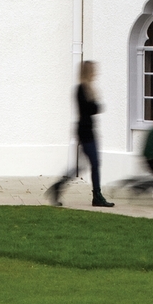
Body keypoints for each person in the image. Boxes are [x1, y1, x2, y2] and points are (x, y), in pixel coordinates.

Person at [49, 61, 114, 208]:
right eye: (93, 71)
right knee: (94, 164)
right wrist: (96, 103)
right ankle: (96, 196)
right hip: (85, 131)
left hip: (88, 130)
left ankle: (60, 187)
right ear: (88, 72)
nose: (96, 73)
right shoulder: (81, 89)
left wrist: (95, 103)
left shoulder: (87, 89)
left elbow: (92, 108)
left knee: (87, 165)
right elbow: (90, 108)